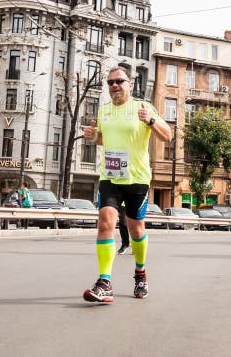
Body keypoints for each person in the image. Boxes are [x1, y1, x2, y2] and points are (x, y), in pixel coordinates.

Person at [81, 67, 171, 303]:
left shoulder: (143, 108)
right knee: (105, 223)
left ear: (130, 84)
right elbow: (103, 138)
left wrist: (150, 121)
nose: (114, 86)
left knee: (136, 230)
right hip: (110, 177)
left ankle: (140, 273)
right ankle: (105, 281)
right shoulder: (104, 111)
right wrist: (93, 136)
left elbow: (167, 135)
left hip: (137, 178)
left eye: (119, 81)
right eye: (110, 82)